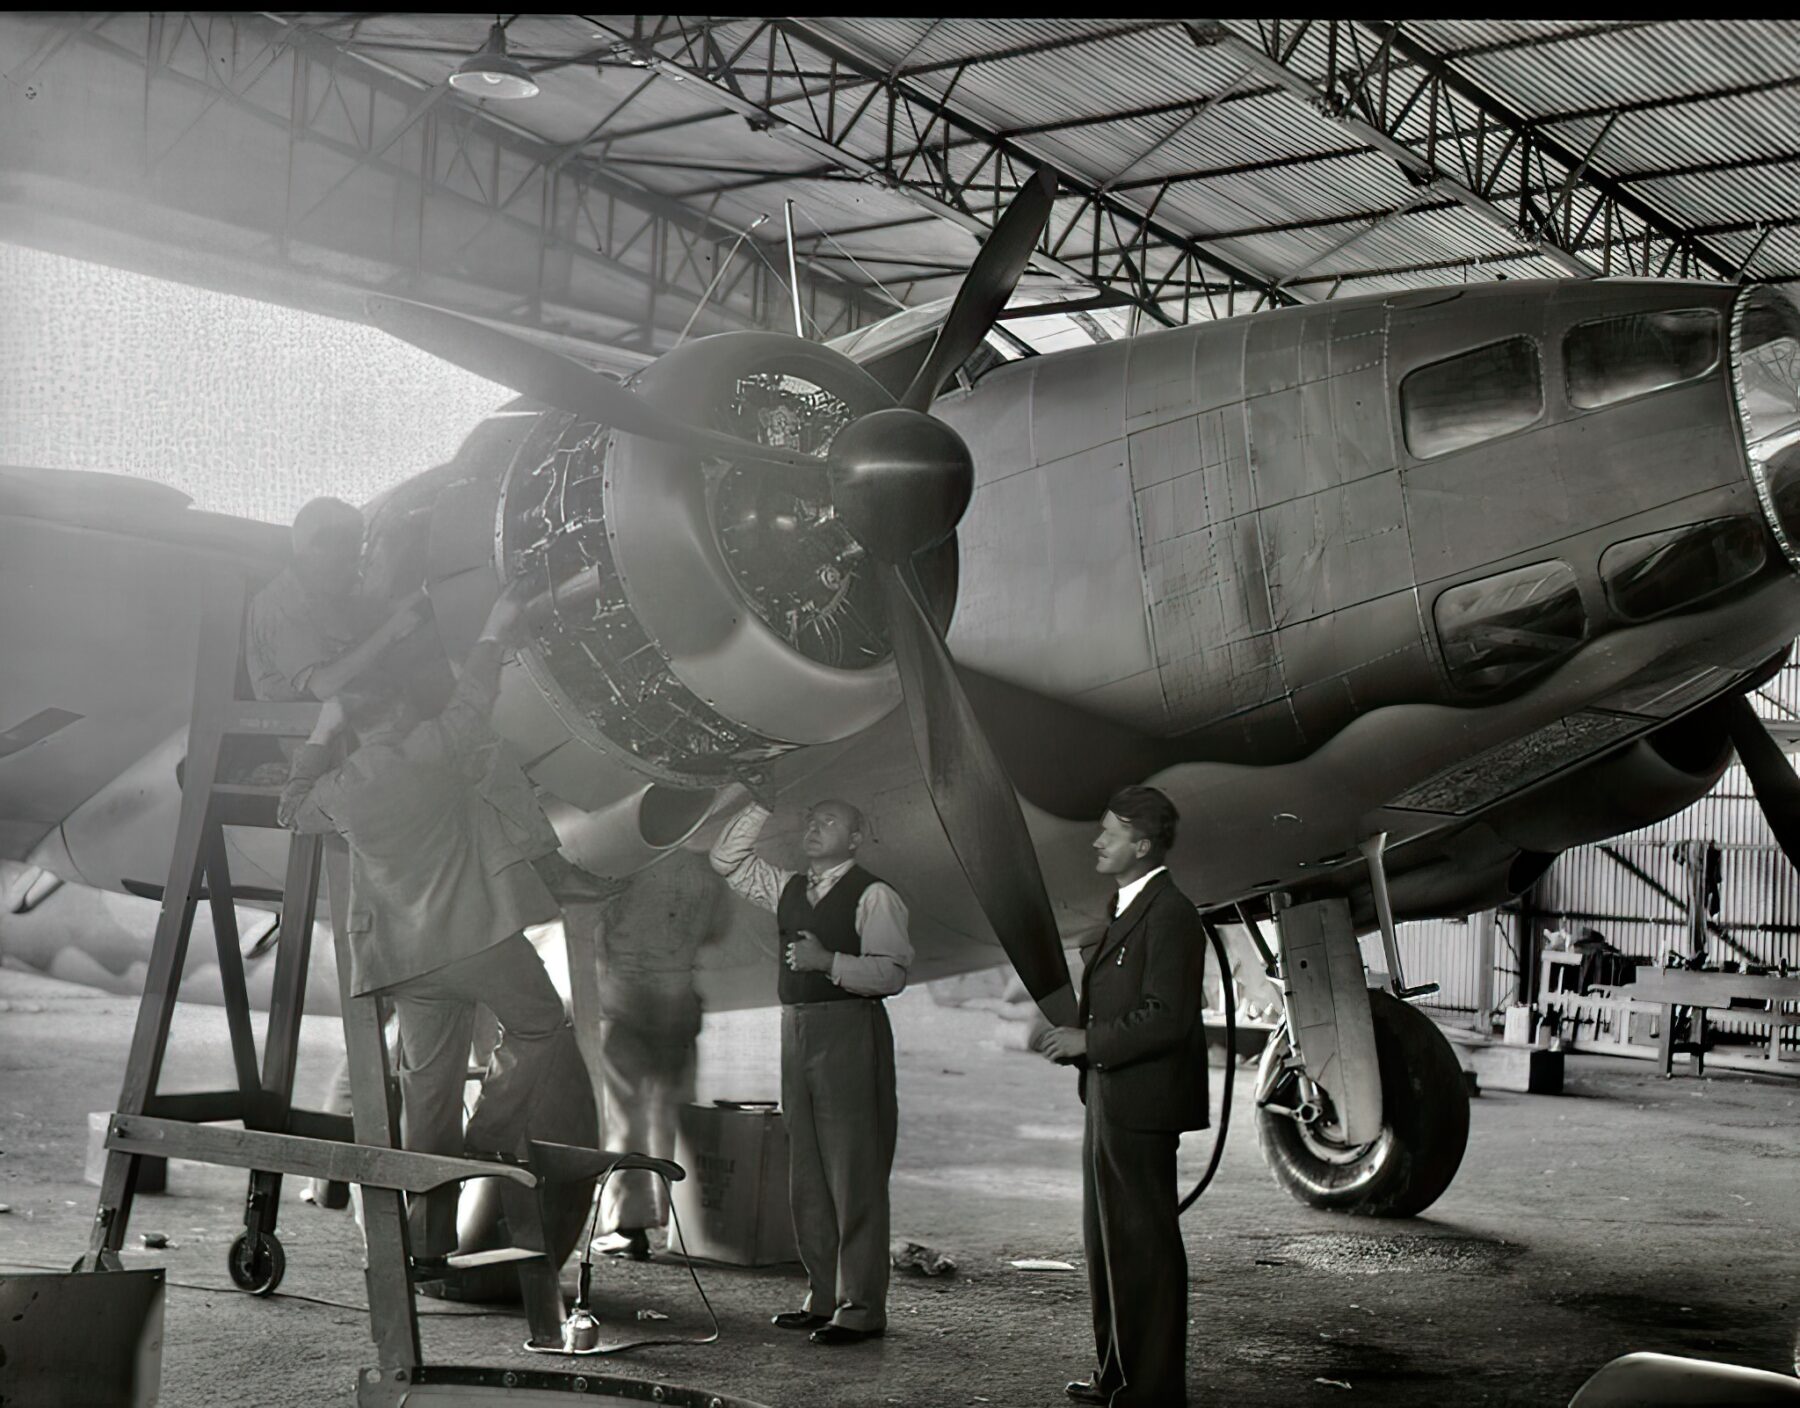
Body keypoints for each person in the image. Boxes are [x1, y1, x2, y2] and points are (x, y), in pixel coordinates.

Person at [278, 582, 574, 1272]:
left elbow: (290, 811)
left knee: (427, 1096)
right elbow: (476, 697)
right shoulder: (433, 749)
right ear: (402, 711)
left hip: (407, 961)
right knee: (539, 1024)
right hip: (477, 939)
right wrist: (496, 626)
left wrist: (320, 739)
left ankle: (425, 1247)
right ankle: (492, 1139)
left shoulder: (343, 786)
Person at [709, 797, 911, 1346]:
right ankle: (823, 1295)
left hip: (850, 1028)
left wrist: (828, 964)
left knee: (854, 1170)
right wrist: (760, 804)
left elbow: (892, 975)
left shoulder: (875, 895)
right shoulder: (788, 888)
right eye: (810, 819)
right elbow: (726, 860)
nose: (814, 826)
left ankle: (863, 1306)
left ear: (857, 837)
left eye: (829, 821)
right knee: (809, 1171)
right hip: (795, 1029)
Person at [1041, 786, 1207, 1408]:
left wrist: (1089, 1039)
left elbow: (1168, 1017)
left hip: (1141, 1100)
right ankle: (1119, 1375)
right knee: (1108, 1241)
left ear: (1142, 845)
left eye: (1110, 833)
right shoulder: (1130, 903)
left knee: (1144, 1247)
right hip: (1113, 1091)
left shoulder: (1170, 913)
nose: (1097, 841)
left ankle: (1155, 1389)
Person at [571, 852, 718, 1261]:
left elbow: (592, 928)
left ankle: (629, 1227)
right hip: (679, 1003)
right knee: (675, 1114)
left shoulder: (625, 860)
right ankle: (686, 1223)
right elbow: (718, 929)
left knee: (626, 1118)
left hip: (625, 1004)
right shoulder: (702, 869)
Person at [247, 496, 432, 710]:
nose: (356, 572)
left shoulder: (323, 594)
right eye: (346, 559)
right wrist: (390, 633)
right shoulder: (280, 607)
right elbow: (324, 685)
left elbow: (381, 614)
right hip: (311, 735)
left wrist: (429, 591)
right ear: (316, 551)